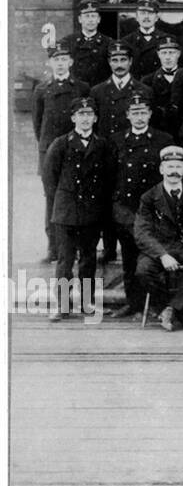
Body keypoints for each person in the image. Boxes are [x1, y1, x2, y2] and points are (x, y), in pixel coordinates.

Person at [42, 96, 114, 319]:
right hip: (66, 212)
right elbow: (49, 179)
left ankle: (86, 303)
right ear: (73, 117)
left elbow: (109, 178)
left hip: (91, 212)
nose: (85, 119)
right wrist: (63, 204)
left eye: (89, 114)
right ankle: (62, 305)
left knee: (88, 259)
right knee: (65, 260)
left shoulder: (102, 145)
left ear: (95, 118)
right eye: (81, 114)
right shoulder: (60, 144)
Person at [106, 90, 172, 319]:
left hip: (154, 209)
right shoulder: (116, 141)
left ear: (150, 114)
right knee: (128, 257)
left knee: (153, 256)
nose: (139, 117)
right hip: (125, 208)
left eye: (143, 112)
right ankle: (133, 303)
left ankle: (155, 304)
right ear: (127, 115)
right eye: (135, 113)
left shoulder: (164, 140)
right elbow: (110, 175)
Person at [133, 145, 183, 331]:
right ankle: (172, 307)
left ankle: (172, 309)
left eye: (178, 167)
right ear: (162, 169)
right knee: (143, 271)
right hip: (159, 247)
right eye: (170, 167)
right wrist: (162, 255)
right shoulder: (149, 197)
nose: (174, 172)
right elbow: (142, 233)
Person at [33, 41, 91, 262]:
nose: (60, 63)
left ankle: (75, 247)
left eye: (64, 59)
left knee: (78, 197)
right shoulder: (41, 89)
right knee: (52, 199)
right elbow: (38, 124)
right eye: (56, 60)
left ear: (71, 62)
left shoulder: (81, 88)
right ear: (50, 62)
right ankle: (53, 247)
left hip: (74, 150)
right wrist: (48, 149)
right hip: (49, 152)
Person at [91, 42, 149, 144]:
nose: (119, 65)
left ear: (130, 61)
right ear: (109, 62)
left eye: (123, 60)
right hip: (107, 146)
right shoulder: (97, 91)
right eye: (114, 60)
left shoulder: (144, 90)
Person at [58, 0, 111, 86]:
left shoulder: (108, 43)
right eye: (87, 16)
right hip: (75, 91)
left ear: (99, 19)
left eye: (93, 16)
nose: (90, 20)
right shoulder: (68, 42)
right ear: (80, 19)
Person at [142, 35, 183, 139]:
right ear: (158, 54)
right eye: (164, 53)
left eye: (172, 52)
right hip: (158, 133)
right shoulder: (148, 81)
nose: (168, 57)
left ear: (178, 54)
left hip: (182, 133)